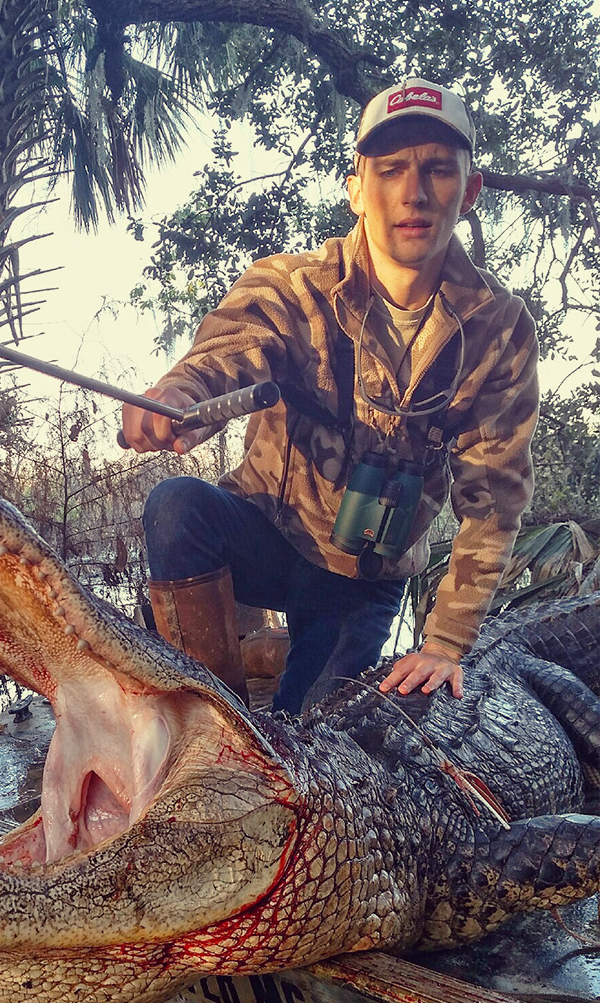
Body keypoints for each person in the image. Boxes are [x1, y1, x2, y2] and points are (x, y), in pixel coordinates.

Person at [122, 79, 539, 713]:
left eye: (437, 170)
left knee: (314, 743)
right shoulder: (292, 284)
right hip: (267, 538)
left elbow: (494, 498)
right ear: (356, 191)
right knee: (177, 506)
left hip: (362, 584)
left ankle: (278, 724)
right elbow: (229, 348)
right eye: (391, 169)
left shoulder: (499, 330)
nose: (413, 193)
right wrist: (180, 395)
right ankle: (206, 722)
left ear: (471, 191)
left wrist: (446, 642)